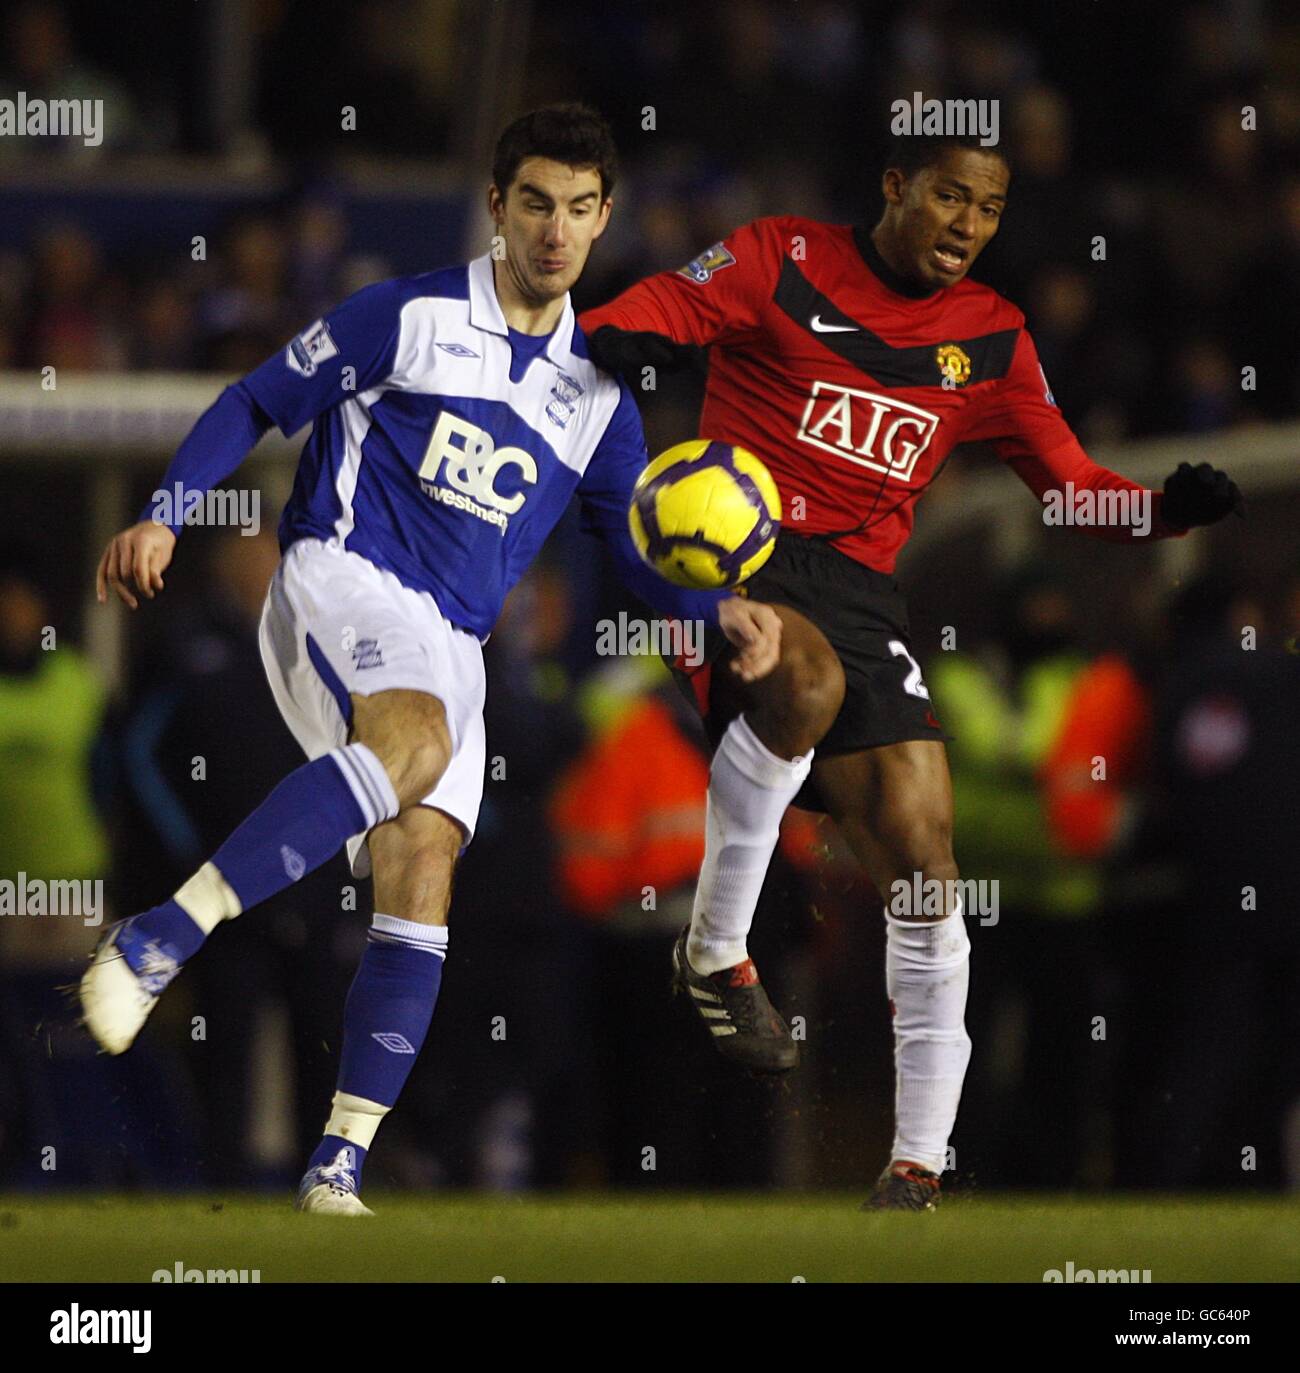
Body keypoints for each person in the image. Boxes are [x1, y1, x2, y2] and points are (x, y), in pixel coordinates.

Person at [80, 102, 782, 1216]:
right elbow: (258, 396)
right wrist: (168, 509)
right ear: (498, 207)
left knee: (421, 878)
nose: (556, 231)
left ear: (605, 223)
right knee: (414, 741)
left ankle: (337, 1163)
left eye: (581, 211)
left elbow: (633, 552)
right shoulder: (405, 316)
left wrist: (715, 611)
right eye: (537, 204)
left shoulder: (599, 399)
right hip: (345, 574)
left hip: (454, 641)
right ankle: (164, 933)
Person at [579, 132, 1244, 1209]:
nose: (965, 226)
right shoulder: (778, 257)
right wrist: (616, 339)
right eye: (947, 196)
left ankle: (915, 1167)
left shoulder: (989, 339)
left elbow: (1066, 484)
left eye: (986, 209)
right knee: (804, 687)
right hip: (735, 559)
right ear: (894, 187)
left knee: (925, 844)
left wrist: (1164, 511)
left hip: (861, 593)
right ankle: (715, 950)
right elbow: (652, 307)